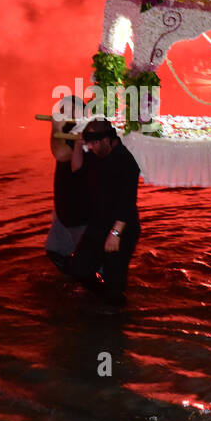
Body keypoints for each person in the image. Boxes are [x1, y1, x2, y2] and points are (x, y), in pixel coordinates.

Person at [69, 118, 140, 306]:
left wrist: (115, 234)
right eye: (89, 144)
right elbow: (76, 170)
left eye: (93, 144)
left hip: (121, 229)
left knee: (114, 280)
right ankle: (103, 299)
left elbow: (127, 203)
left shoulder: (125, 162)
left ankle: (116, 311)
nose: (90, 148)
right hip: (98, 224)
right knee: (79, 269)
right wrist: (78, 146)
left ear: (107, 140)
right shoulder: (97, 153)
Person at [46, 97, 90, 272]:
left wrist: (55, 127)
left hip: (80, 210)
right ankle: (73, 278)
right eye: (62, 110)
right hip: (65, 210)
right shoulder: (68, 132)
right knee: (55, 251)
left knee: (92, 263)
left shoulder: (80, 133)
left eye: (70, 111)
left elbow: (61, 153)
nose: (64, 114)